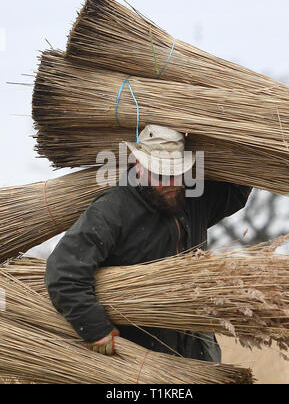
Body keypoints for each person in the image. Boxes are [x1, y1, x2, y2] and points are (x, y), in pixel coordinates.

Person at [45, 124, 252, 362]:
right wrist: (95, 328)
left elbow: (236, 193)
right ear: (138, 164)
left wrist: (248, 152)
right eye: (161, 174)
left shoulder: (191, 197)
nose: (171, 182)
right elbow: (63, 272)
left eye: (177, 172)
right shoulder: (113, 210)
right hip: (145, 358)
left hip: (197, 352)